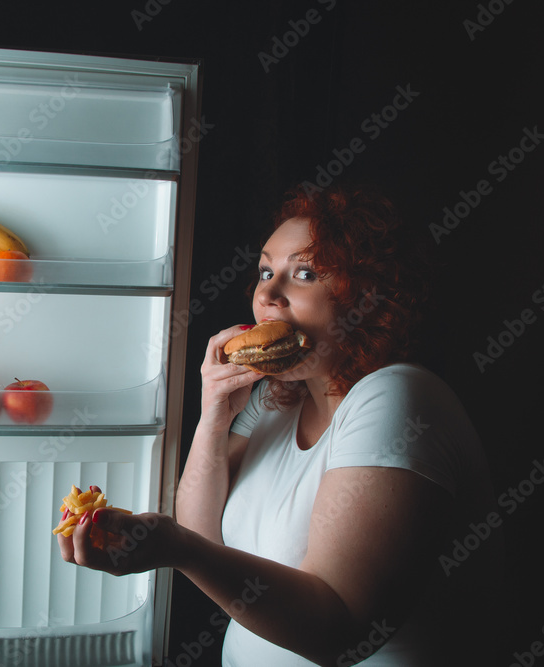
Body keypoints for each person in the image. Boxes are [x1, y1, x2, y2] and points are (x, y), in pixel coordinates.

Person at [58, 184, 502, 665]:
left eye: (304, 273)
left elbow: (342, 631)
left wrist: (176, 549)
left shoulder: (398, 396)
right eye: (266, 271)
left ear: (366, 298)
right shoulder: (275, 398)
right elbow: (201, 532)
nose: (268, 294)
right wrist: (214, 412)